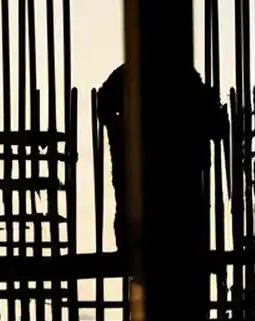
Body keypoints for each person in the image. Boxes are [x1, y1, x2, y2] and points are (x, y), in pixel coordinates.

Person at [95, 61, 227, 254]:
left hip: (175, 181)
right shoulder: (134, 74)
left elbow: (215, 125)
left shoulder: (183, 77)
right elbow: (104, 105)